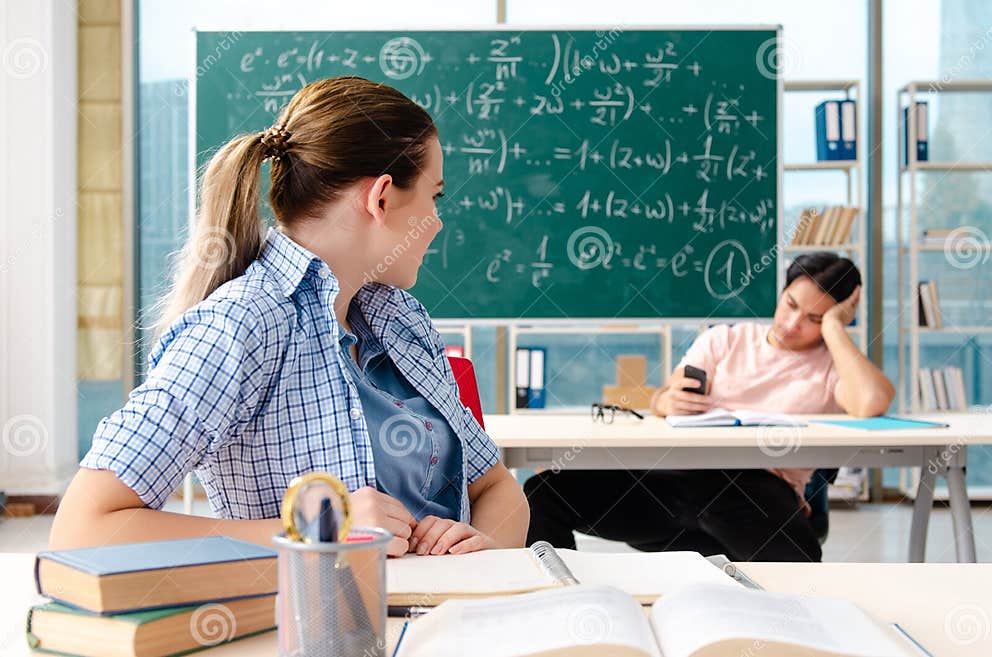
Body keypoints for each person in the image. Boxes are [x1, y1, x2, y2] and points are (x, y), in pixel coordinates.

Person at [51, 76, 529, 557]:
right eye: (435, 196)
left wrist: (484, 547)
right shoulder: (239, 325)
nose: (438, 220)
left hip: (454, 619)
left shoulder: (400, 318)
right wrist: (317, 526)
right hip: (326, 627)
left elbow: (495, 489)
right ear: (381, 198)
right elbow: (84, 528)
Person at [524, 253, 895, 562]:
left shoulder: (833, 366)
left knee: (801, 565)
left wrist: (834, 329)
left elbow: (872, 401)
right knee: (544, 491)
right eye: (791, 305)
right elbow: (662, 398)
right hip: (672, 482)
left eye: (814, 318)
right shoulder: (725, 340)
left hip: (753, 492)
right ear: (781, 293)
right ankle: (563, 602)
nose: (794, 323)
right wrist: (665, 401)